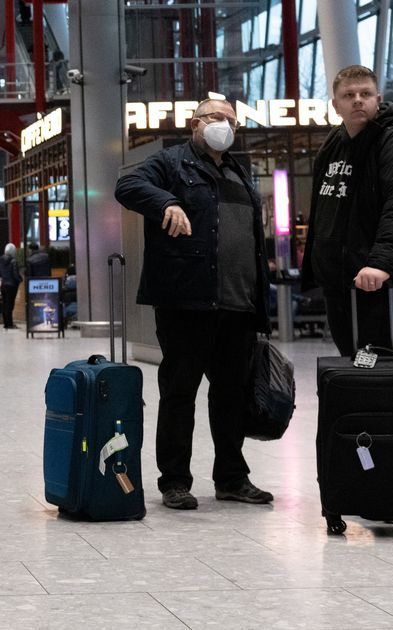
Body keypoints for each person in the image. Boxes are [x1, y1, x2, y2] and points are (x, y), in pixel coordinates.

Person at [114, 97, 273, 511]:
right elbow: (127, 187)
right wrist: (166, 202)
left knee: (231, 395)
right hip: (187, 302)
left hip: (239, 305)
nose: (224, 125)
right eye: (216, 118)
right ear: (195, 124)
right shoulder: (171, 163)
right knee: (180, 392)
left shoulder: (240, 171)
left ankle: (232, 478)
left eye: (231, 120)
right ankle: (175, 482)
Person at [301, 65, 393, 358]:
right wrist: (318, 269)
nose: (357, 100)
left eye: (365, 94)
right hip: (346, 285)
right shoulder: (333, 145)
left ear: (378, 99)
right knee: (360, 369)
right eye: (348, 95)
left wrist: (381, 263)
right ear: (335, 105)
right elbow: (325, 211)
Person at [0, 243, 22, 329]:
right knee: (10, 305)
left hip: (3, 285)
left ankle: (6, 323)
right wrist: (20, 280)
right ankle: (10, 324)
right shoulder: (13, 261)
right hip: (12, 286)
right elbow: (15, 274)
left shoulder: (0, 260)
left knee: (5, 304)